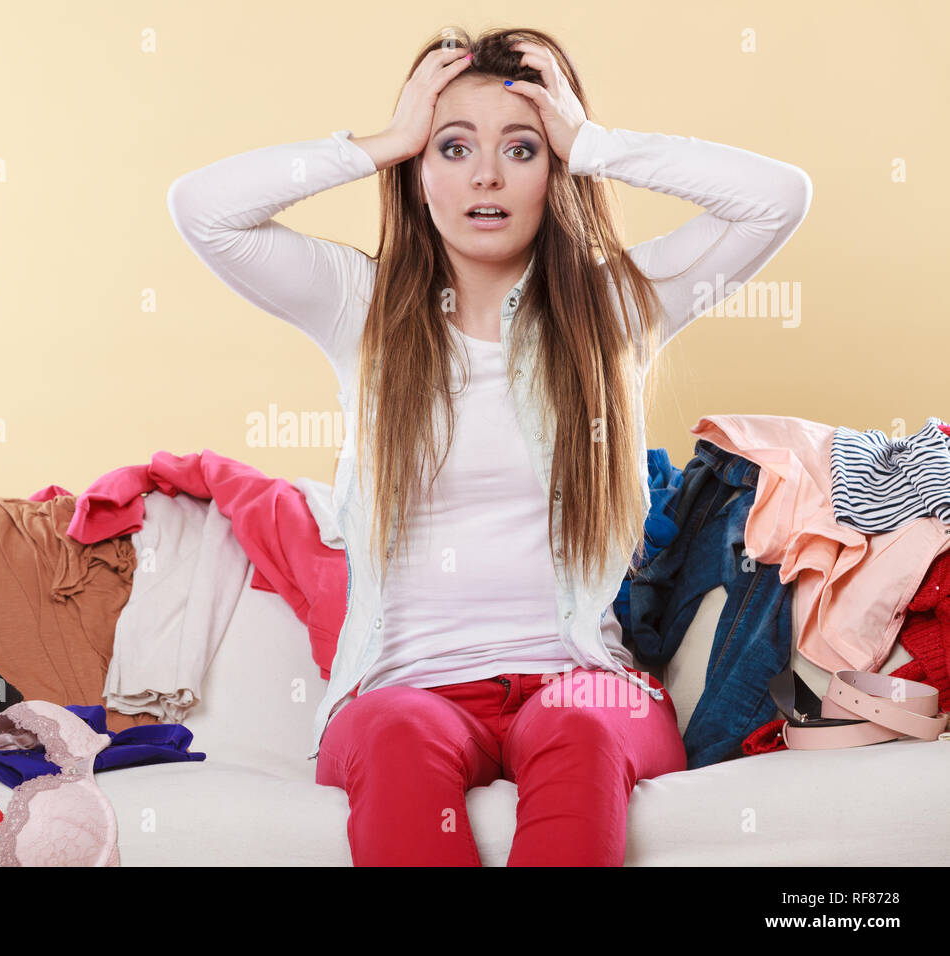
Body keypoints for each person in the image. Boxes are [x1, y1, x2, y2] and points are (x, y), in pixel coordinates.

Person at [166, 26, 812, 866]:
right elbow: (202, 209)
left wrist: (595, 143)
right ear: (420, 170)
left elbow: (778, 196)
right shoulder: (358, 309)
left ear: (557, 172)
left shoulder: (616, 310)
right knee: (399, 730)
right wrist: (383, 141)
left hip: (582, 684)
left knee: (581, 725)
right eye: (453, 146)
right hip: (404, 690)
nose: (486, 176)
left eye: (523, 149)